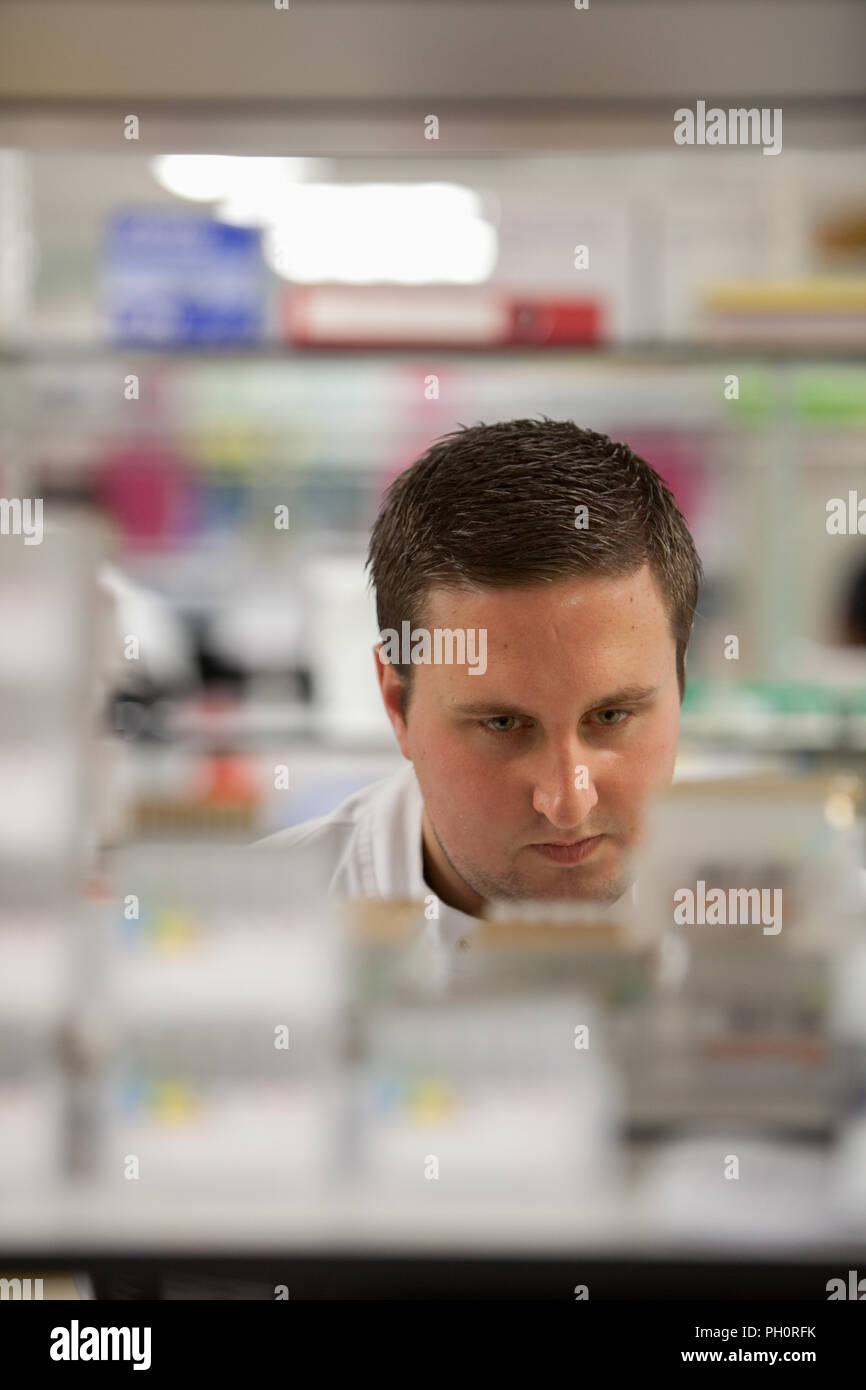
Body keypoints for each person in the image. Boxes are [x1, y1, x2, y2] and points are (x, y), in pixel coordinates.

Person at [256, 418, 703, 956]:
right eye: (503, 724)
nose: (567, 803)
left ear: (680, 681)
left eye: (611, 717)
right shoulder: (255, 938)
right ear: (397, 705)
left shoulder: (772, 919)